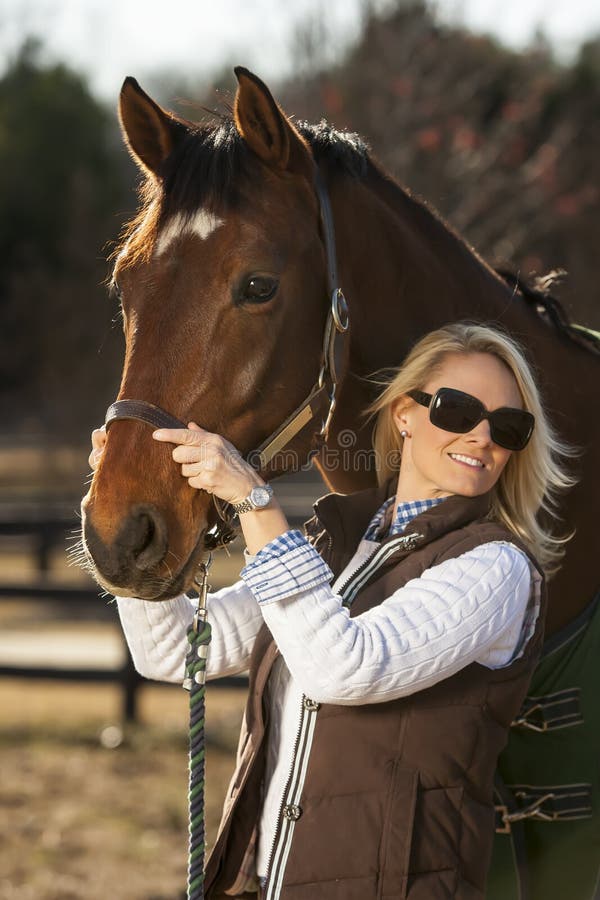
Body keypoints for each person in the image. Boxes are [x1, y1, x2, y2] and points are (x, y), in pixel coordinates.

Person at [90, 322, 572, 900]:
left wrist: (254, 501)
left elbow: (344, 666)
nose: (482, 436)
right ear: (404, 414)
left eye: (509, 427)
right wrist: (122, 502)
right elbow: (174, 651)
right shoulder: (334, 544)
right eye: (458, 409)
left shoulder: (496, 568)